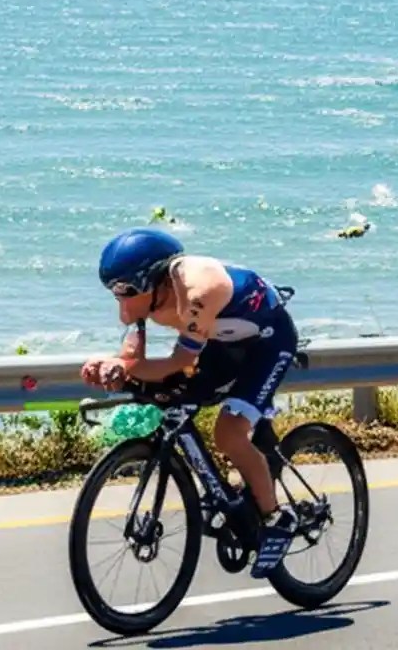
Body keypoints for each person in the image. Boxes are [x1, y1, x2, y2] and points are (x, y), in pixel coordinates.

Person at [81, 227, 300, 578]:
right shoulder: (144, 293)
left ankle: (278, 517)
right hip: (221, 343)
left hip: (268, 343)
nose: (120, 302)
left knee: (229, 434)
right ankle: (225, 492)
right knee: (176, 398)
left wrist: (127, 369)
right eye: (114, 290)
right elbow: (132, 355)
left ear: (155, 281)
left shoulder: (199, 292)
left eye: (126, 291)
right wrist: (113, 369)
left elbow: (176, 363)